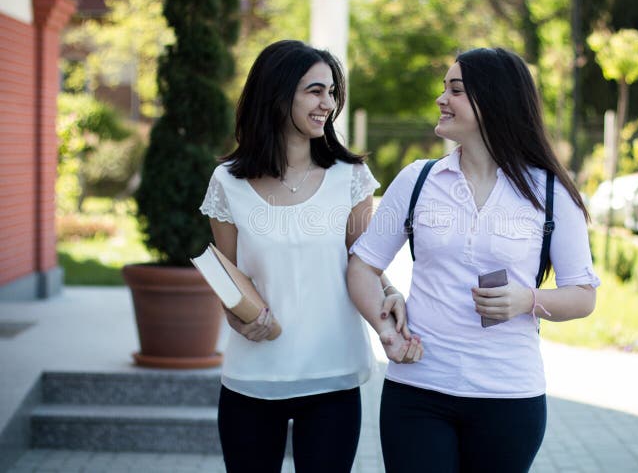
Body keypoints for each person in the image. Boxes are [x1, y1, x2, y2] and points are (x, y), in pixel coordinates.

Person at [347, 47, 600, 473]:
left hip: (509, 396)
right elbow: (362, 266)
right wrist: (385, 331)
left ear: (494, 101)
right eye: (444, 88)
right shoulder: (417, 179)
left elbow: (583, 296)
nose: (441, 99)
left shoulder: (550, 191)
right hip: (418, 390)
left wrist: (526, 300)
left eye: (456, 90)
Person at [199, 40, 420, 473]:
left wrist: (390, 292)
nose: (329, 104)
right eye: (315, 91)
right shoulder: (227, 182)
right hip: (254, 376)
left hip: (332, 373)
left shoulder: (350, 177)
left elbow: (363, 262)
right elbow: (228, 280)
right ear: (278, 94)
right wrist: (239, 318)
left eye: (333, 92)